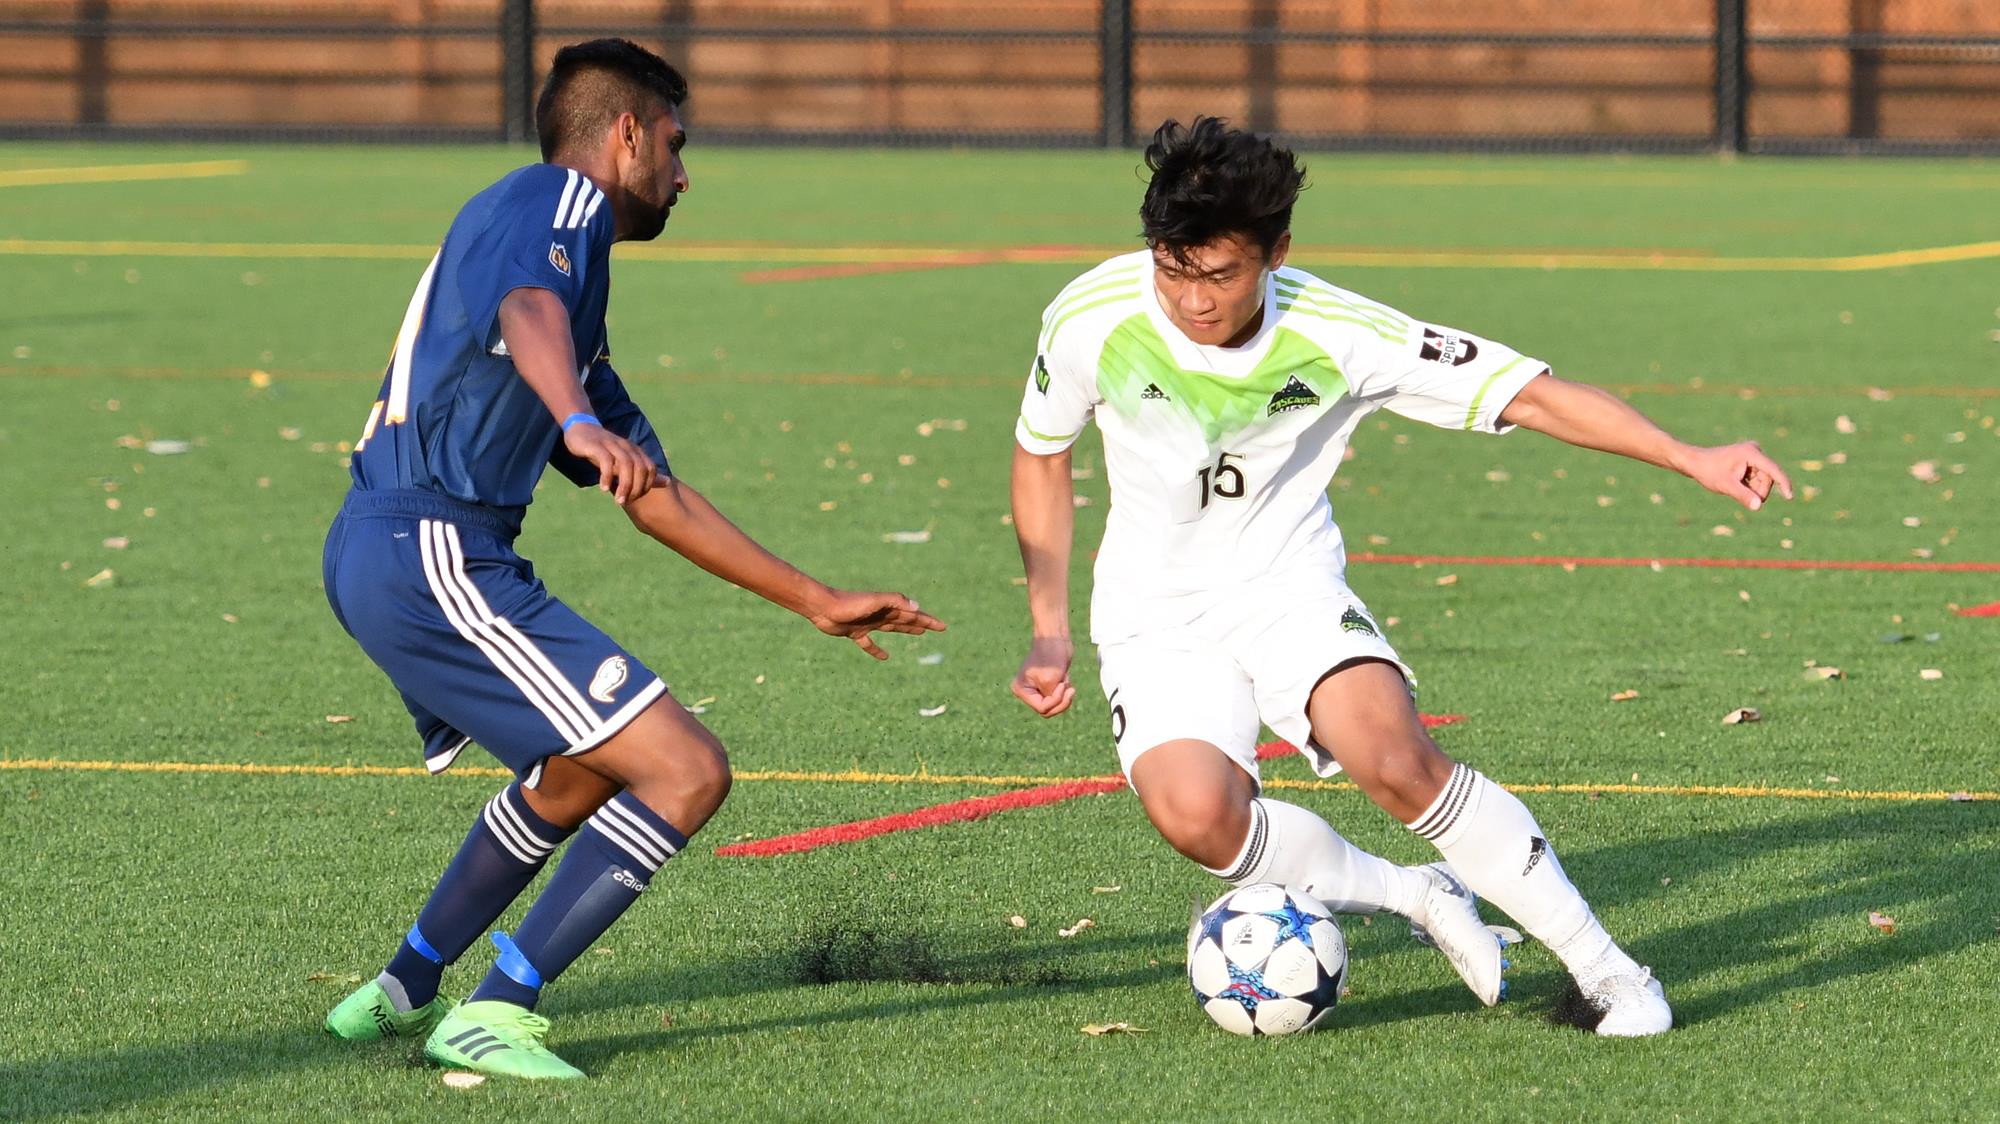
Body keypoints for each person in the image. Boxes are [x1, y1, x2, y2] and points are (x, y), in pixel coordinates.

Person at [1008, 117, 1791, 1037]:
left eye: (1218, 274)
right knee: (1199, 818)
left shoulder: (1341, 331)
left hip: (1286, 585)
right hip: (1153, 610)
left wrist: (1688, 455)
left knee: (1393, 758)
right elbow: (1040, 455)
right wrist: (1049, 627)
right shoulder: (1092, 316)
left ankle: (1611, 974)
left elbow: (1533, 396)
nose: (1191, 298)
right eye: (1173, 269)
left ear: (1276, 253)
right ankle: (1417, 893)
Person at [320, 38, 944, 1079]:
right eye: (674, 143)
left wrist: (814, 598)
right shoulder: (555, 201)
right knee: (686, 769)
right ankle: (497, 1010)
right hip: (430, 546)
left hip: (397, 548)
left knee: (574, 772)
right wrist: (571, 417)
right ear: (624, 134)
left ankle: (401, 987)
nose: (683, 174)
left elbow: (652, 492)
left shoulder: (569, 296)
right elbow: (527, 309)